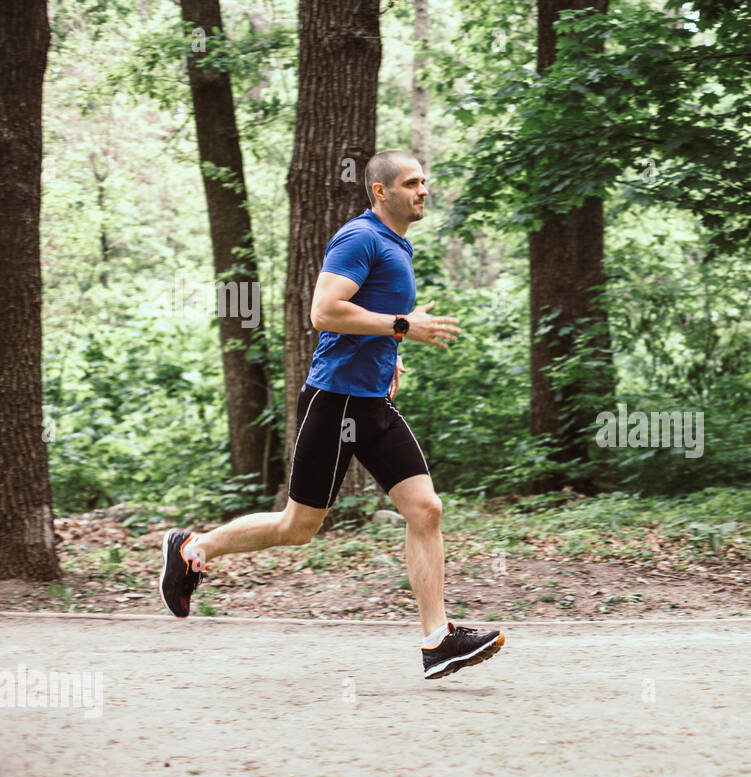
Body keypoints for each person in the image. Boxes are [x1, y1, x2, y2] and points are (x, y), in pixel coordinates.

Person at [158, 149, 504, 680]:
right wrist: (402, 327)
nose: (424, 190)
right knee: (298, 527)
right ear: (381, 192)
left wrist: (392, 352)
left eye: (425, 182)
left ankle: (438, 640)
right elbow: (324, 311)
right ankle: (193, 548)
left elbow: (367, 317)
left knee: (425, 509)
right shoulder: (359, 238)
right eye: (412, 183)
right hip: (335, 400)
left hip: (373, 403)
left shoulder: (396, 244)